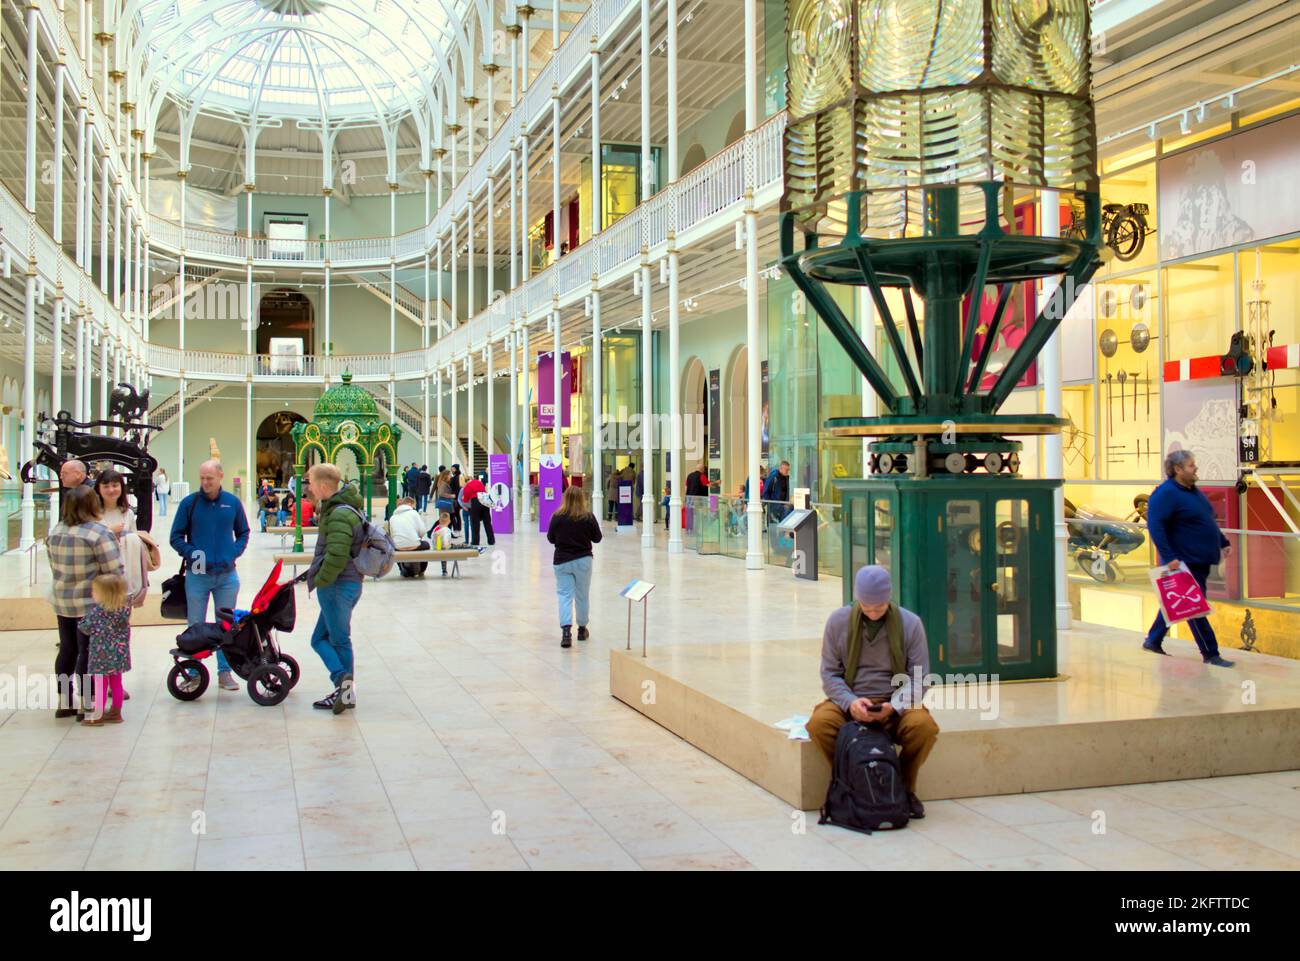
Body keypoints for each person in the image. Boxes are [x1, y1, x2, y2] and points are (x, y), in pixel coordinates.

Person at [807, 565, 939, 820]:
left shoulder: (910, 624)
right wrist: (851, 703)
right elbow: (829, 673)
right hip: (853, 697)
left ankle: (903, 788)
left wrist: (895, 706)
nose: (873, 612)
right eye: (866, 606)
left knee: (923, 727)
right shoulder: (838, 621)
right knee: (819, 724)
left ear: (889, 598)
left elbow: (920, 677)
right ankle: (852, 783)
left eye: (879, 606)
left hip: (895, 701)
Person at [1143, 450, 1235, 667]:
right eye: (1191, 465)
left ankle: (1153, 640)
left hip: (1201, 559)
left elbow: (1206, 521)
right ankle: (1211, 654)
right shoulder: (1165, 494)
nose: (1196, 469)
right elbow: (1155, 526)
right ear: (1178, 469)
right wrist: (1169, 557)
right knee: (1195, 607)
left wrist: (1222, 541)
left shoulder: (1193, 492)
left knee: (1178, 603)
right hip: (1184, 561)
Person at [170, 460, 251, 692]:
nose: (205, 483)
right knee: (195, 623)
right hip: (197, 574)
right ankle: (194, 671)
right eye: (202, 478)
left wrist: (233, 552)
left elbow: (243, 532)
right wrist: (192, 554)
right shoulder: (189, 503)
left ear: (220, 477)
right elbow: (175, 536)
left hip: (227, 574)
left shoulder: (232, 503)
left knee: (226, 625)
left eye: (210, 478)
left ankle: (224, 672)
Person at [47, 486, 124, 719]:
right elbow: (113, 570)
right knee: (87, 653)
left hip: (62, 601)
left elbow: (52, 565)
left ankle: (64, 701)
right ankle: (86, 703)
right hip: (91, 604)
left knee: (67, 650)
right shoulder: (98, 533)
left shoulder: (56, 531)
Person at [305, 464, 365, 713]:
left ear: (322, 485)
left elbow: (338, 554)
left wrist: (321, 579)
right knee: (320, 638)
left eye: (310, 482)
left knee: (338, 639)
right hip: (344, 584)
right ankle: (344, 687)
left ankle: (343, 684)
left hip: (338, 585)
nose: (308, 487)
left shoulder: (339, 513)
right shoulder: (342, 508)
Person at [546, 485, 602, 649]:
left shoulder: (557, 516)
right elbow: (597, 538)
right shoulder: (588, 517)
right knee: (582, 595)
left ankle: (566, 632)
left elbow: (550, 538)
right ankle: (582, 629)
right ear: (582, 499)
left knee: (564, 596)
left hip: (562, 561)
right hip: (583, 560)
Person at [79, 573, 132, 726]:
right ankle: (116, 712)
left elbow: (84, 627)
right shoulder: (124, 611)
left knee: (100, 684)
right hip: (120, 654)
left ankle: (97, 715)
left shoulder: (97, 613)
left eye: (94, 591)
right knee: (117, 683)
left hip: (100, 655)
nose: (92, 594)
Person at [389, 496, 430, 577]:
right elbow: (422, 530)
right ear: (410, 504)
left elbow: (392, 535)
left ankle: (401, 569)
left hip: (398, 546)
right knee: (426, 545)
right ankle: (422, 569)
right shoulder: (414, 513)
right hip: (414, 545)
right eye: (413, 506)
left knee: (394, 546)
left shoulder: (393, 517)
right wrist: (418, 537)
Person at [94, 468, 137, 536]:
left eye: (115, 486)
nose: (111, 490)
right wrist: (110, 530)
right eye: (106, 486)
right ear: (98, 489)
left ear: (122, 488)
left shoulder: (128, 513)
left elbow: (135, 540)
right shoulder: (91, 514)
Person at [462, 471, 495, 547]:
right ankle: (491, 540)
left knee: (475, 523)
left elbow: (465, 500)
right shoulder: (479, 482)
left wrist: (464, 498)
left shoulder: (466, 487)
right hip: (484, 501)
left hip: (475, 502)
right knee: (487, 522)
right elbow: (484, 491)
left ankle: (475, 541)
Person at [762, 459, 792, 523]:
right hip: (774, 505)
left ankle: (784, 532)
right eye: (786, 470)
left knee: (787, 517)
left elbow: (786, 491)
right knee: (774, 524)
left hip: (783, 505)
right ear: (780, 468)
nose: (787, 471)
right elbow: (766, 492)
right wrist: (771, 503)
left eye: (788, 470)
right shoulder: (773, 477)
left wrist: (786, 502)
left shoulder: (786, 478)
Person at [429, 508, 454, 577]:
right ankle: (444, 570)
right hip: (443, 548)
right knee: (456, 547)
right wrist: (448, 546)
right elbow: (446, 541)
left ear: (439, 521)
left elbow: (431, 536)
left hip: (436, 547)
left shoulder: (436, 528)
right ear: (449, 521)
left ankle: (444, 571)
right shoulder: (447, 530)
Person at [449, 464, 463, 534]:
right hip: (456, 497)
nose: (452, 470)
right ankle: (458, 528)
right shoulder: (455, 476)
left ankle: (457, 528)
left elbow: (457, 488)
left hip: (456, 498)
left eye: (453, 468)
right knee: (457, 514)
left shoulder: (456, 477)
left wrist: (455, 497)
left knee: (455, 513)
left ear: (456, 469)